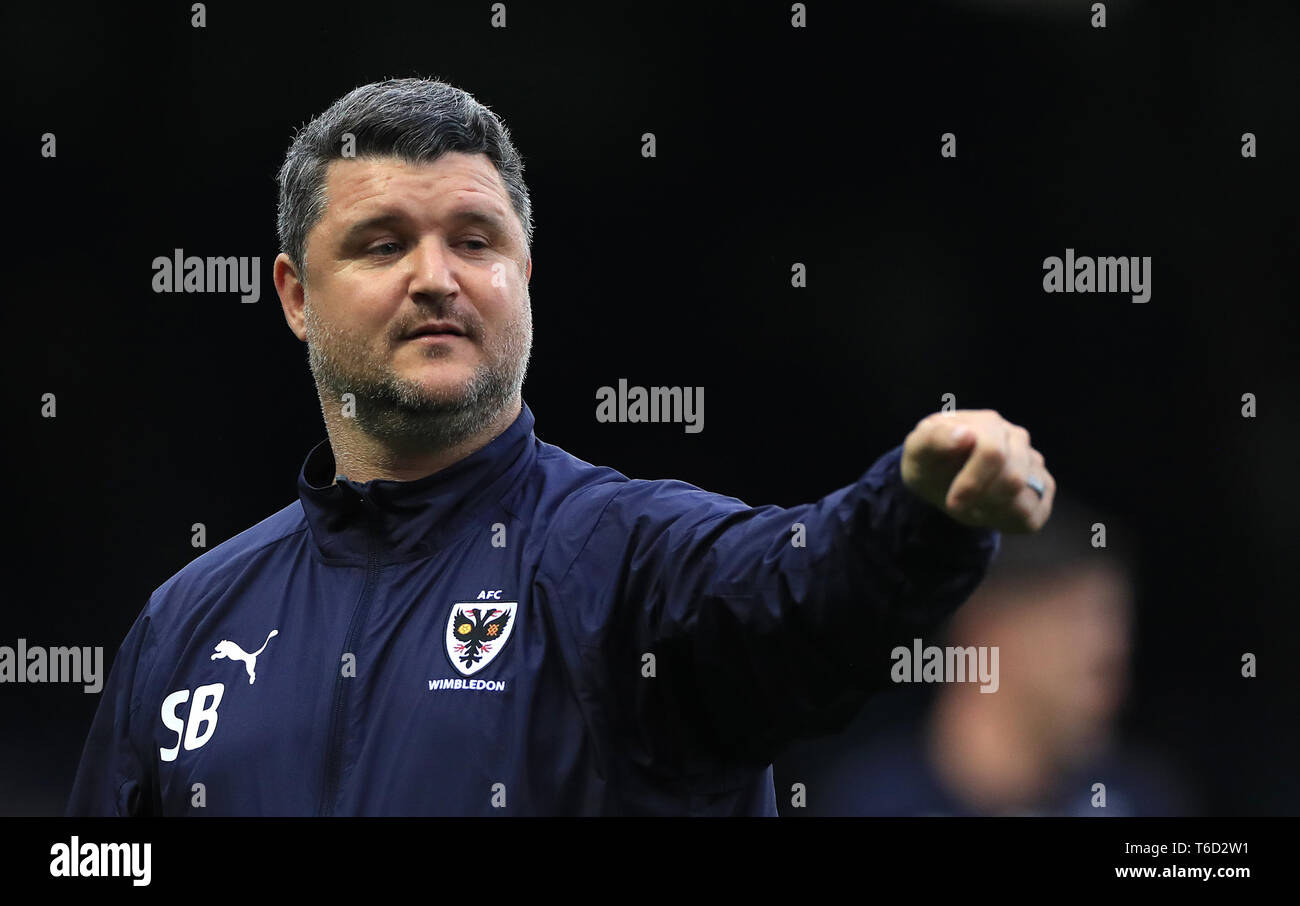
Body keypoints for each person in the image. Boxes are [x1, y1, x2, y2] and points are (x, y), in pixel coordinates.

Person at [66, 78, 1054, 816]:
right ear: (292, 294)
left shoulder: (627, 559)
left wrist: (916, 511)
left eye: (475, 239)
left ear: (523, 274)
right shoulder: (185, 624)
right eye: (381, 244)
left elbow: (805, 590)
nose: (437, 278)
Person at [779, 497, 1196, 816]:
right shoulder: (871, 802)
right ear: (985, 632)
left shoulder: (1140, 799)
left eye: (1116, 625)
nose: (1108, 648)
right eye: (1075, 622)